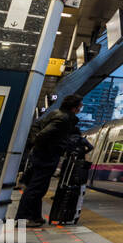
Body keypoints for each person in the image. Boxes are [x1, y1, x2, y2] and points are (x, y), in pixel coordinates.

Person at [14, 94, 89, 227]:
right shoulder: (64, 119)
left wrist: (36, 147)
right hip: (46, 157)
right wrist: (45, 147)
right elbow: (42, 135)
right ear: (74, 108)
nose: (80, 109)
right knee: (36, 188)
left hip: (41, 155)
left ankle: (35, 217)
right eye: (80, 106)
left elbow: (36, 126)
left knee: (38, 187)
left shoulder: (55, 113)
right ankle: (23, 218)